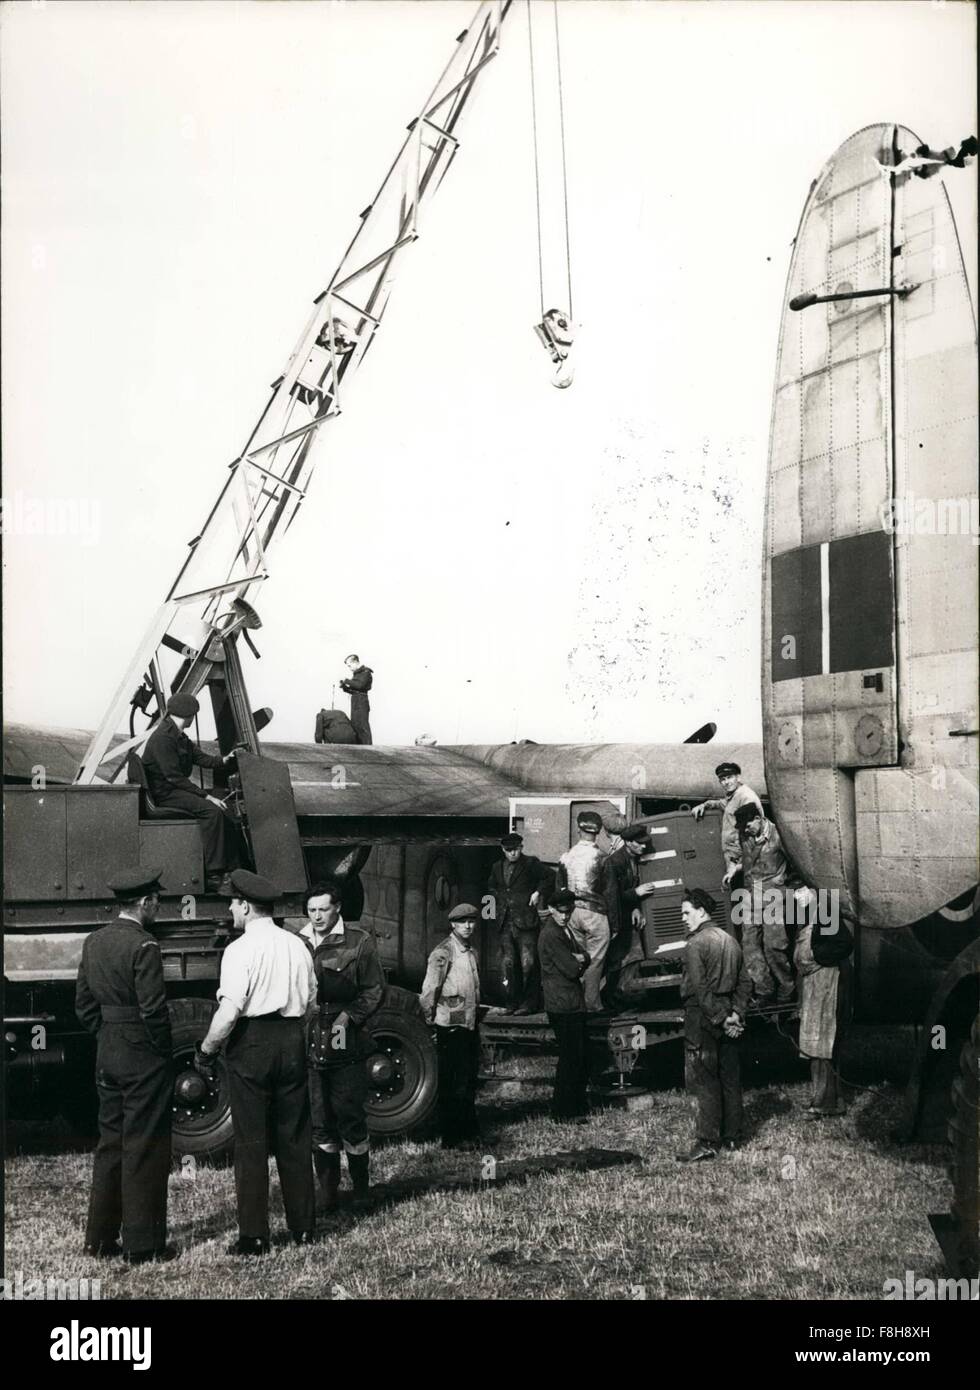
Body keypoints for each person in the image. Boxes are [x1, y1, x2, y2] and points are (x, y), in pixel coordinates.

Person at [195, 870, 317, 1255]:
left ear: (246, 906)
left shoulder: (239, 950)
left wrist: (206, 1051)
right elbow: (312, 1000)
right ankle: (303, 1229)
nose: (231, 908)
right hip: (292, 1039)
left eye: (233, 902)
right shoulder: (298, 945)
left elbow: (229, 1013)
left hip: (252, 1043)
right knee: (294, 1138)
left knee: (251, 1142)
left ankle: (255, 1235)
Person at [75, 865, 176, 1265]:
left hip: (108, 1049)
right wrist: (161, 1051)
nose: (157, 907)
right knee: (145, 1145)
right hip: (141, 1053)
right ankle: (143, 1243)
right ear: (146, 902)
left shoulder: (93, 941)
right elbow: (154, 1011)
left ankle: (99, 1239)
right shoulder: (145, 946)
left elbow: (83, 1004)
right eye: (156, 901)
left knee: (110, 1144)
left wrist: (106, 1033)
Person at [300, 881, 385, 1211]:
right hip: (310, 1035)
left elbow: (374, 989)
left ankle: (362, 1188)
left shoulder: (358, 942)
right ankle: (327, 1191)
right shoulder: (300, 942)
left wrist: (350, 1016)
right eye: (311, 910)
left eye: (323, 909)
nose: (317, 916)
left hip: (345, 1037)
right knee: (319, 1118)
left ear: (337, 908)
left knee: (349, 1115)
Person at [677, 887, 752, 1162]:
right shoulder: (731, 940)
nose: (684, 919)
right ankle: (733, 1137)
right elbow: (745, 982)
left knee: (706, 1078)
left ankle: (708, 1141)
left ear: (701, 911)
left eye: (687, 912)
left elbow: (700, 988)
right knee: (730, 1077)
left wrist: (719, 1018)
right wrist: (736, 1014)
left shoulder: (696, 943)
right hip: (728, 1013)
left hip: (703, 1017)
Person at [141, 692, 241, 893]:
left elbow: (202, 759)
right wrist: (207, 796)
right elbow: (174, 777)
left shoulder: (178, 735)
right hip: (165, 794)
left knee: (222, 808)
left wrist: (225, 759)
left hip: (173, 789)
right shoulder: (163, 738)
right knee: (211, 812)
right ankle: (214, 875)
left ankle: (234, 869)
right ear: (190, 716)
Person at [420, 903, 482, 1150]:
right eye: (462, 922)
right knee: (452, 1082)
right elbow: (430, 989)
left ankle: (468, 1132)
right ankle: (452, 1137)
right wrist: (429, 1018)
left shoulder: (471, 951)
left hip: (468, 1024)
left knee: (466, 1080)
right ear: (453, 924)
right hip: (450, 1026)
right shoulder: (444, 952)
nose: (468, 926)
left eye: (471, 921)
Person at [733, 802, 796, 1004]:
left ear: (758, 819)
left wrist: (791, 888)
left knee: (773, 946)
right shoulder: (746, 835)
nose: (745, 830)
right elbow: (749, 862)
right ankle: (764, 989)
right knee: (749, 944)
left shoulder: (780, 835)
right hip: (751, 894)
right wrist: (735, 868)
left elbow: (796, 864)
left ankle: (787, 987)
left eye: (748, 825)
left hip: (773, 894)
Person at [793, 886, 847, 1118]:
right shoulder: (805, 915)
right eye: (795, 893)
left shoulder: (826, 911)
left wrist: (816, 956)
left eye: (802, 890)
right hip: (811, 985)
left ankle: (825, 1103)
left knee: (823, 1044)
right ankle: (827, 1100)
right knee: (813, 1045)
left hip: (826, 983)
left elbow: (845, 943)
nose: (798, 896)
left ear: (813, 891)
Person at [538, 888, 590, 1122]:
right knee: (570, 1058)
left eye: (568, 912)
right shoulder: (552, 934)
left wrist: (581, 959)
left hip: (570, 1002)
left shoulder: (562, 930)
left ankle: (574, 1108)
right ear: (550, 910)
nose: (565, 916)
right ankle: (563, 1111)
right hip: (562, 1004)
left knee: (577, 1056)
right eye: (561, 912)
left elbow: (584, 956)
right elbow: (571, 969)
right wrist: (578, 961)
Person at [486, 832, 549, 1013]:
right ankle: (512, 1003)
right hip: (505, 923)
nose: (513, 853)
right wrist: (491, 916)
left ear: (522, 848)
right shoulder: (496, 867)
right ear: (503, 850)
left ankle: (529, 1004)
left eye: (516, 849)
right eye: (509, 850)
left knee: (528, 964)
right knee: (508, 965)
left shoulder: (531, 864)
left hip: (526, 923)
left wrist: (538, 892)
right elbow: (490, 889)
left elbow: (549, 877)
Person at [556, 810, 611, 1012]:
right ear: (597, 832)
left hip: (571, 913)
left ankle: (576, 1004)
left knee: (577, 959)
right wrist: (614, 923)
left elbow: (559, 889)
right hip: (596, 913)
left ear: (579, 829)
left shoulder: (565, 857)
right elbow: (610, 893)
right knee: (595, 961)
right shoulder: (603, 858)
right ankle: (592, 1004)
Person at [603, 823, 658, 996]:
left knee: (631, 958)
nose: (644, 846)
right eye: (639, 843)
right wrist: (636, 893)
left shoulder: (633, 858)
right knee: (617, 961)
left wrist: (635, 907)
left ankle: (623, 996)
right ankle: (612, 998)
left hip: (627, 917)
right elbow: (610, 897)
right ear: (627, 842)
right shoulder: (614, 862)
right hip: (617, 921)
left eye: (645, 842)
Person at [691, 761, 764, 889]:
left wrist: (736, 862)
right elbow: (724, 805)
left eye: (730, 777)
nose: (726, 782)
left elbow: (749, 834)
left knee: (745, 896)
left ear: (738, 777)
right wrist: (705, 804)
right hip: (735, 858)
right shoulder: (735, 795)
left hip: (742, 859)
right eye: (722, 779)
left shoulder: (746, 797)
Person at [340, 654, 374, 745]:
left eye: (349, 666)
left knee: (363, 726)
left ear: (355, 662)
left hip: (361, 701)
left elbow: (360, 685)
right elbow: (356, 689)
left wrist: (347, 681)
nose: (349, 668)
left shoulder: (366, 672)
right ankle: (359, 750)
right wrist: (345, 688)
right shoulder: (358, 674)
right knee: (355, 726)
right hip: (356, 701)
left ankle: (369, 749)